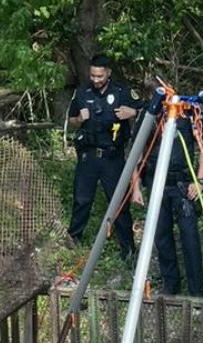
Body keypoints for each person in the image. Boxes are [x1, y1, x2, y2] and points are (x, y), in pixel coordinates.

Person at [67, 54, 143, 261]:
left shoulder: (122, 92)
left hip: (113, 158)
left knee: (119, 203)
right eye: (93, 75)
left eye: (100, 75)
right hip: (88, 157)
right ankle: (73, 241)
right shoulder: (82, 93)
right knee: (82, 200)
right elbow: (72, 120)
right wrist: (79, 119)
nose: (96, 79)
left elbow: (146, 111)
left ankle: (128, 250)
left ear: (108, 73)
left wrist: (133, 113)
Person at [134, 111, 203, 296]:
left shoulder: (189, 115)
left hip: (182, 183)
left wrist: (200, 181)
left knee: (189, 236)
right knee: (161, 235)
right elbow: (136, 152)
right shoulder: (150, 116)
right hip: (155, 184)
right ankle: (171, 286)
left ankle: (196, 292)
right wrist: (135, 187)